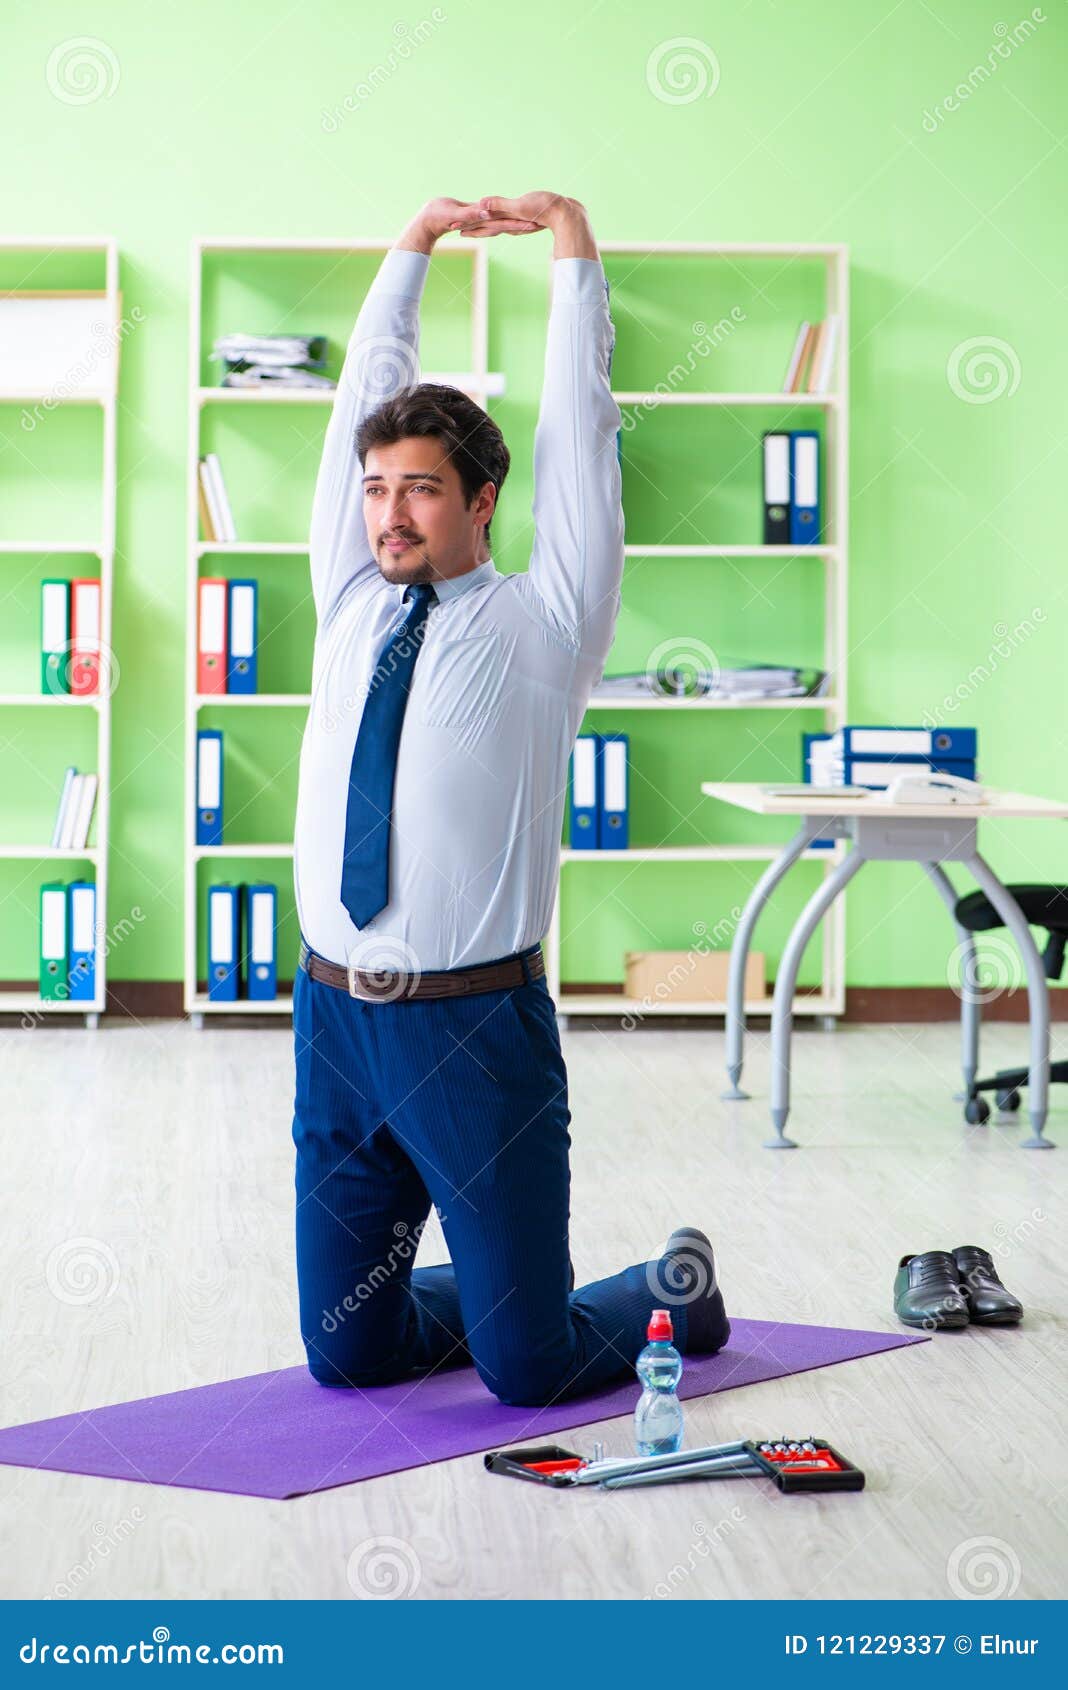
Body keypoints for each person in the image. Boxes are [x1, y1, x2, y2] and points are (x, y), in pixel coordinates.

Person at [290, 192, 729, 1407]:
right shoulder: (348, 599)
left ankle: (664, 1289)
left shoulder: (547, 623)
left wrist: (577, 245)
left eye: (421, 490)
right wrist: (413, 248)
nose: (388, 512)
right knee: (348, 1351)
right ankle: (491, 1304)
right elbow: (351, 420)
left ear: (481, 500)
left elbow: (578, 444)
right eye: (379, 490)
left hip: (475, 1036)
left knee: (529, 1370)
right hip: (334, 1027)